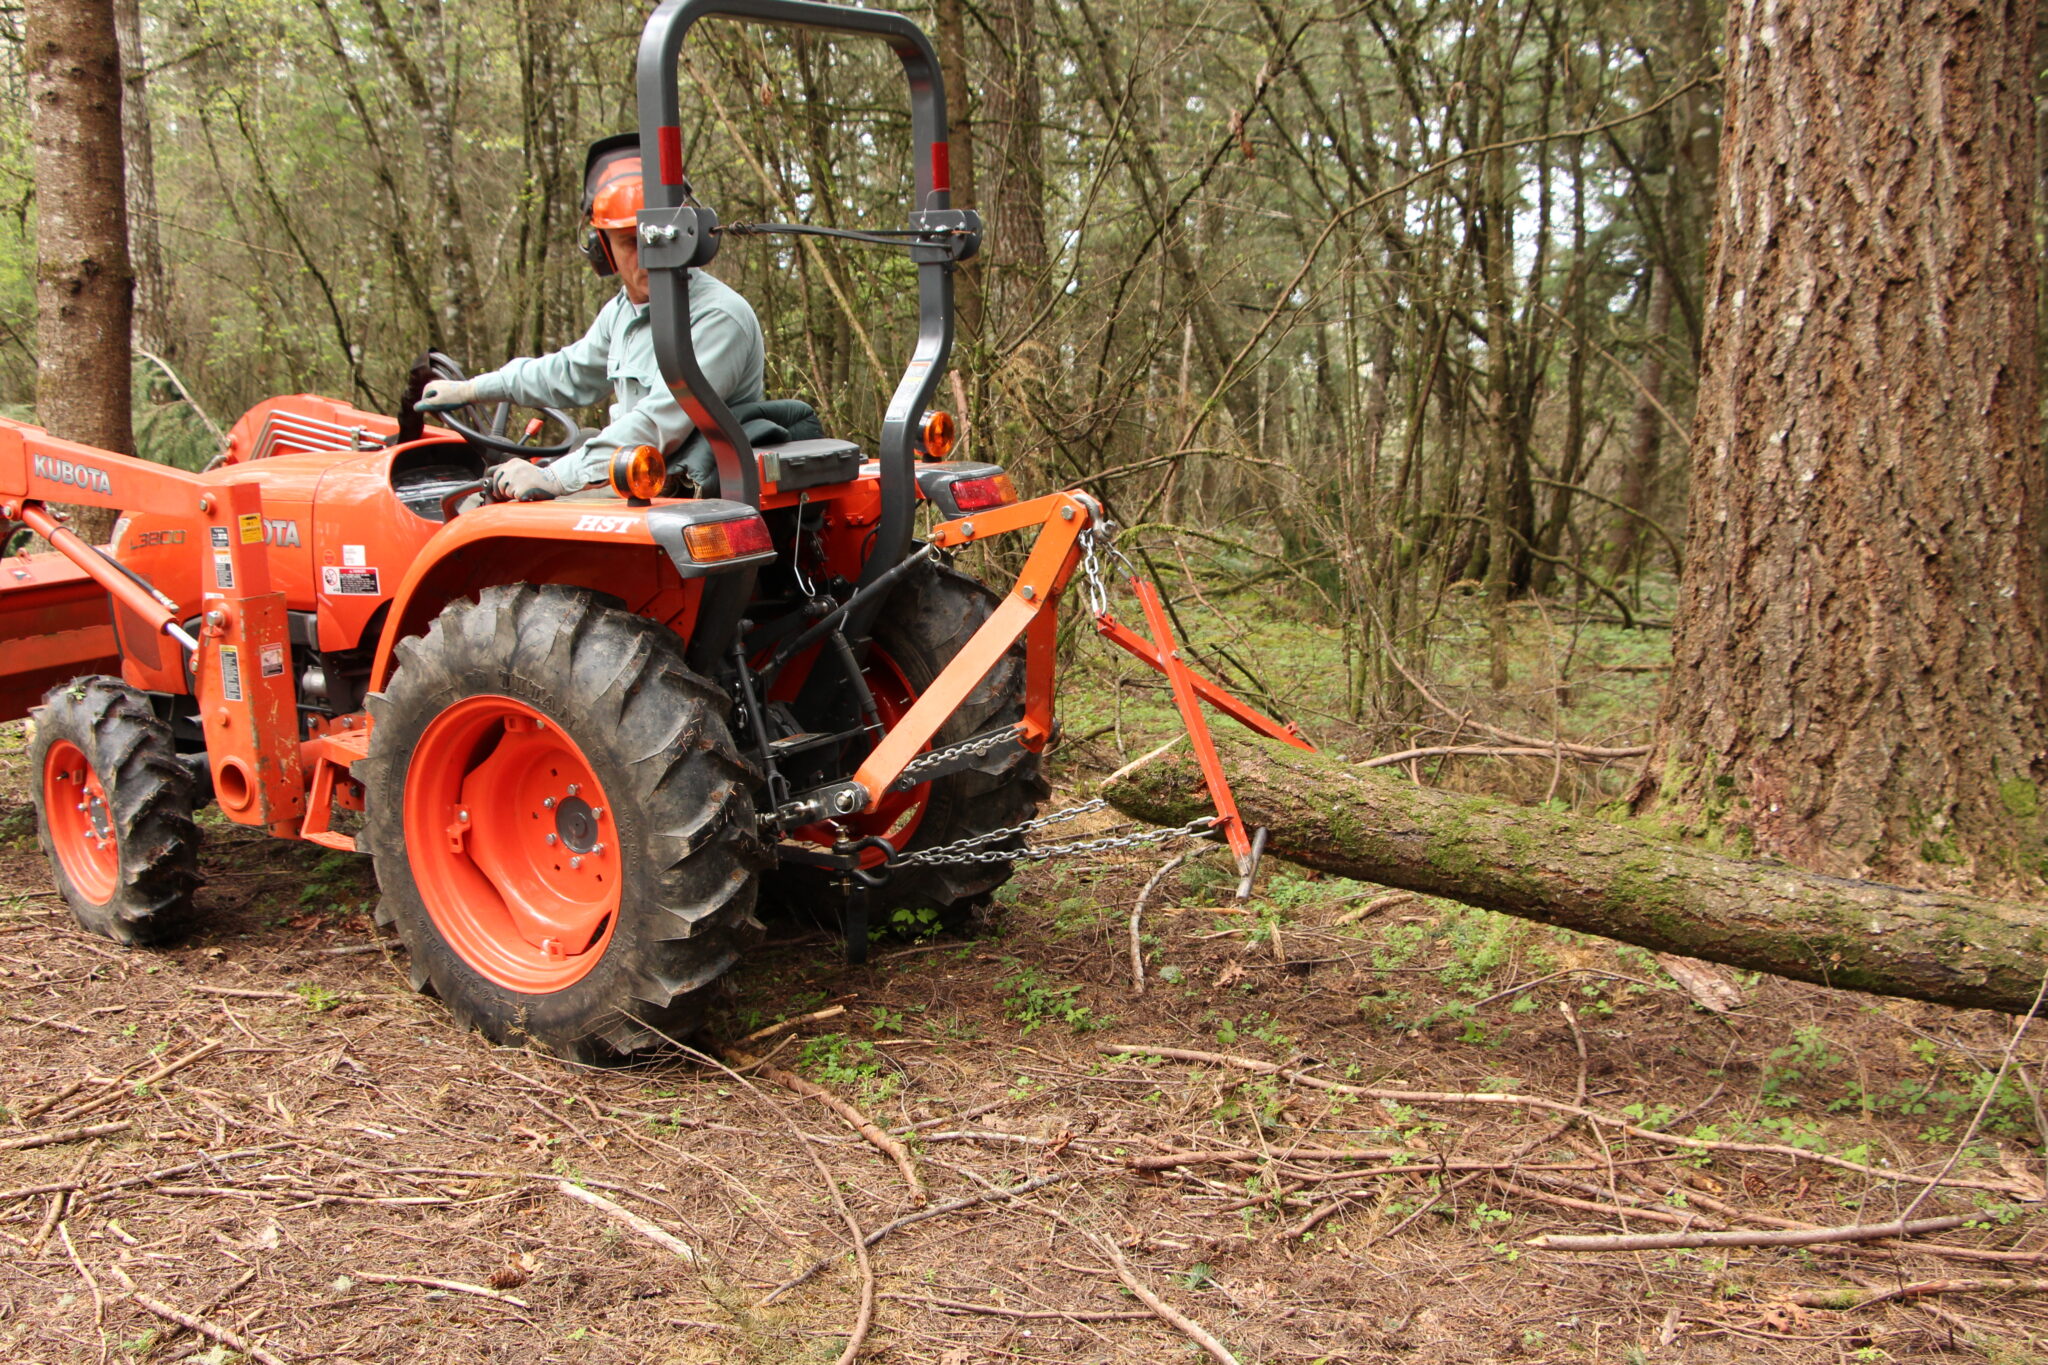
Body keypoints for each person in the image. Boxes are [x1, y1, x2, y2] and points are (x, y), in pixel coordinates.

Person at [415, 135, 765, 501]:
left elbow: (653, 426)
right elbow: (569, 371)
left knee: (482, 511)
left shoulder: (719, 318)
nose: (647, 257)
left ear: (685, 238)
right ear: (604, 249)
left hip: (691, 494)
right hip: (643, 483)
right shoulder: (624, 312)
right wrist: (472, 389)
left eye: (657, 240)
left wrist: (553, 477)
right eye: (631, 243)